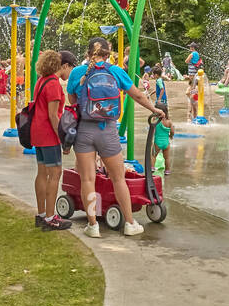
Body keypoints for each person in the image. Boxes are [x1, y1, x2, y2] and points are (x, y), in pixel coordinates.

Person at [67, 36, 169, 238]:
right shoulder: (116, 72)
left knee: (88, 179)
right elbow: (138, 95)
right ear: (109, 54)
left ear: (88, 53)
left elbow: (72, 100)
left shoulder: (78, 73)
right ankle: (130, 223)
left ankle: (93, 225)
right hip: (109, 132)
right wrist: (154, 109)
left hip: (85, 131)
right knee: (118, 178)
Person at [31, 49, 71, 229]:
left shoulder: (41, 81)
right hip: (49, 135)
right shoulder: (54, 84)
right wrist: (62, 138)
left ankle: (40, 214)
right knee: (55, 174)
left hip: (37, 132)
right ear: (62, 65)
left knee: (42, 173)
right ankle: (50, 218)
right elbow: (53, 116)